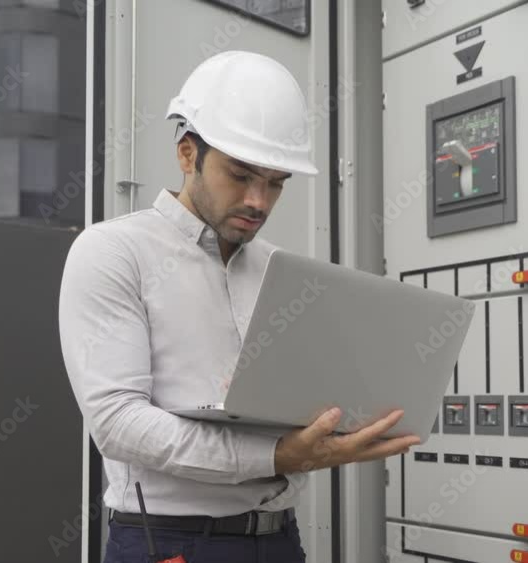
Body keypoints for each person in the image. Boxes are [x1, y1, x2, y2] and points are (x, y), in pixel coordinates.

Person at [58, 51, 420, 563]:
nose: (259, 201)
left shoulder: (281, 270)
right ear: (188, 154)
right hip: (170, 542)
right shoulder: (113, 252)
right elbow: (117, 423)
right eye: (242, 175)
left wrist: (342, 422)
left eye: (275, 183)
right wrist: (276, 455)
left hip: (279, 538)